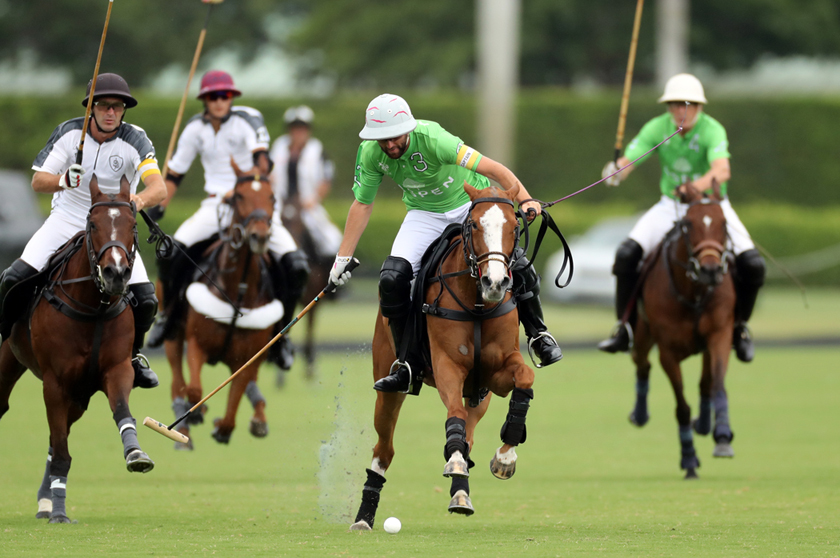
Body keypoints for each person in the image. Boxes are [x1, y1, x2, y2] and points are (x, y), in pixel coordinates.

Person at [329, 93, 564, 394]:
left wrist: (526, 199)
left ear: (409, 129)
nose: (389, 145)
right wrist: (342, 258)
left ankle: (538, 336)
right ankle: (407, 365)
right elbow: (362, 205)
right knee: (392, 278)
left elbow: (494, 170)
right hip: (423, 215)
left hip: (468, 206)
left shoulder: (435, 139)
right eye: (382, 139)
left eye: (395, 137)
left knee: (517, 265)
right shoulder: (370, 154)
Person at [0, 73, 166, 388]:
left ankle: (133, 356)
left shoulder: (135, 138)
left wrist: (137, 200)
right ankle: (4, 331)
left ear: (123, 110)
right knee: (13, 277)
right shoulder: (69, 133)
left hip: (111, 228)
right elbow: (38, 181)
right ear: (91, 107)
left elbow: (158, 187)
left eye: (117, 107)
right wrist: (64, 180)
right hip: (67, 219)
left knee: (146, 299)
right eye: (103, 106)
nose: (110, 113)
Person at [145, 71, 309, 370]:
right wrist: (157, 206)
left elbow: (262, 163)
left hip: (252, 205)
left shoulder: (248, 120)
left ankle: (282, 335)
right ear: (205, 100)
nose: (220, 101)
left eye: (225, 96)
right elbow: (174, 175)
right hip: (214, 207)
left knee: (296, 266)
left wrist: (240, 188)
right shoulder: (194, 129)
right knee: (170, 256)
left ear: (231, 98)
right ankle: (167, 318)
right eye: (213, 97)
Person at [597, 73, 765, 362]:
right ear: (668, 107)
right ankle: (623, 328)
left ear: (700, 107)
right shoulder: (658, 127)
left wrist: (695, 188)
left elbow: (721, 170)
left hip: (713, 206)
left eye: (689, 105)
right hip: (670, 206)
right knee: (626, 255)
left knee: (753, 264)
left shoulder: (712, 130)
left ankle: (740, 328)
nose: (681, 111)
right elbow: (631, 159)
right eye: (675, 104)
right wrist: (616, 171)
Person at [270, 105, 342, 265]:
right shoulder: (278, 147)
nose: (298, 132)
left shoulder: (317, 150)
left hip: (306, 205)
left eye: (302, 128)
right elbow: (269, 173)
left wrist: (314, 199)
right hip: (280, 203)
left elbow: (326, 179)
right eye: (294, 128)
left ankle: (334, 281)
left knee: (331, 239)